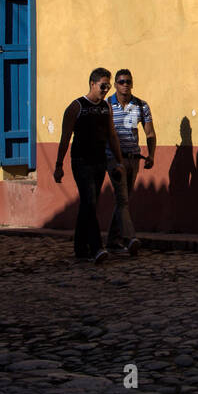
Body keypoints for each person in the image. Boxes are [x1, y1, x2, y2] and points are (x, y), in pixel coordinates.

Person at [53, 68, 124, 263]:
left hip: (99, 162)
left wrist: (118, 161)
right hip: (81, 162)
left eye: (108, 86)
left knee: (88, 204)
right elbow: (65, 137)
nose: (105, 89)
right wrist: (59, 165)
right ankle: (96, 248)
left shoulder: (105, 107)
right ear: (92, 84)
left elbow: (112, 135)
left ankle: (80, 247)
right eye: (103, 85)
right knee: (89, 202)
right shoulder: (76, 107)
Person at [105, 69, 155, 256]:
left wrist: (151, 155)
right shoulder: (107, 105)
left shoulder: (141, 106)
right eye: (121, 81)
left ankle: (112, 241)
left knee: (123, 201)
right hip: (114, 159)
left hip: (134, 159)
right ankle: (130, 237)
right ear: (115, 84)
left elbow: (150, 133)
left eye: (128, 81)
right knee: (122, 199)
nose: (125, 85)